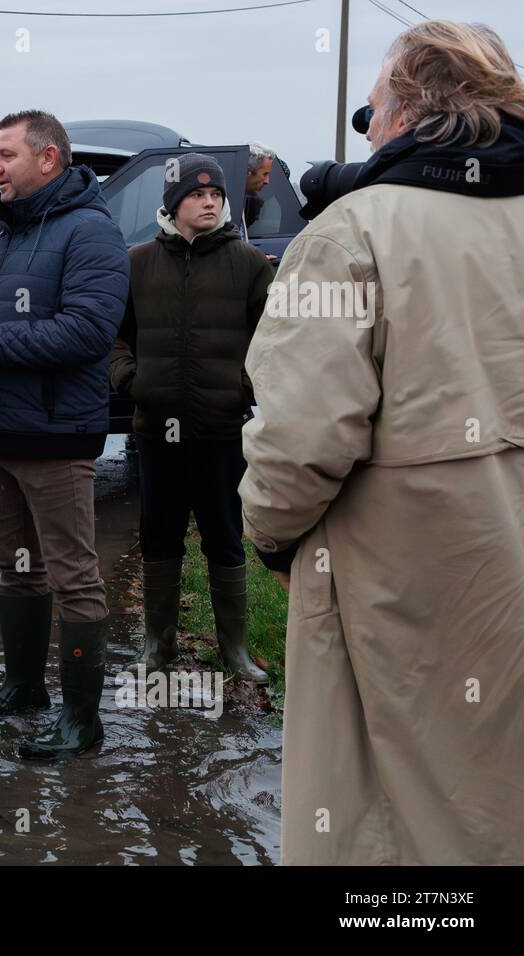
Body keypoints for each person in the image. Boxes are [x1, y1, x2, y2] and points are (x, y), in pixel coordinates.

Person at [239, 20, 524, 864]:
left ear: (403, 112)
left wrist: (269, 537)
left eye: (367, 114)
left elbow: (298, 442)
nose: (366, 132)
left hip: (396, 585)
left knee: (384, 817)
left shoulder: (350, 235)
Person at [0, 110, 129, 760]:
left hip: (55, 432)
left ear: (48, 160)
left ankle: (81, 722)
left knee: (72, 575)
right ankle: (21, 690)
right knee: (15, 567)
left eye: (6, 154)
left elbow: (88, 331)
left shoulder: (91, 233)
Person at [110, 153, 273, 684]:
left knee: (224, 537)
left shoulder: (249, 263)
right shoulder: (137, 263)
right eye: (196, 195)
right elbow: (115, 336)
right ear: (173, 205)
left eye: (216, 196)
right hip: (156, 431)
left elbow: (270, 342)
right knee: (159, 537)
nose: (209, 202)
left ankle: (236, 651)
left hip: (220, 430)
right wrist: (132, 381)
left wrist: (239, 390)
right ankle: (158, 646)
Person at [241, 141, 275, 232]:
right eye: (265, 174)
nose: (267, 181)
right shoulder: (224, 202)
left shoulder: (253, 204)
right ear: (248, 172)